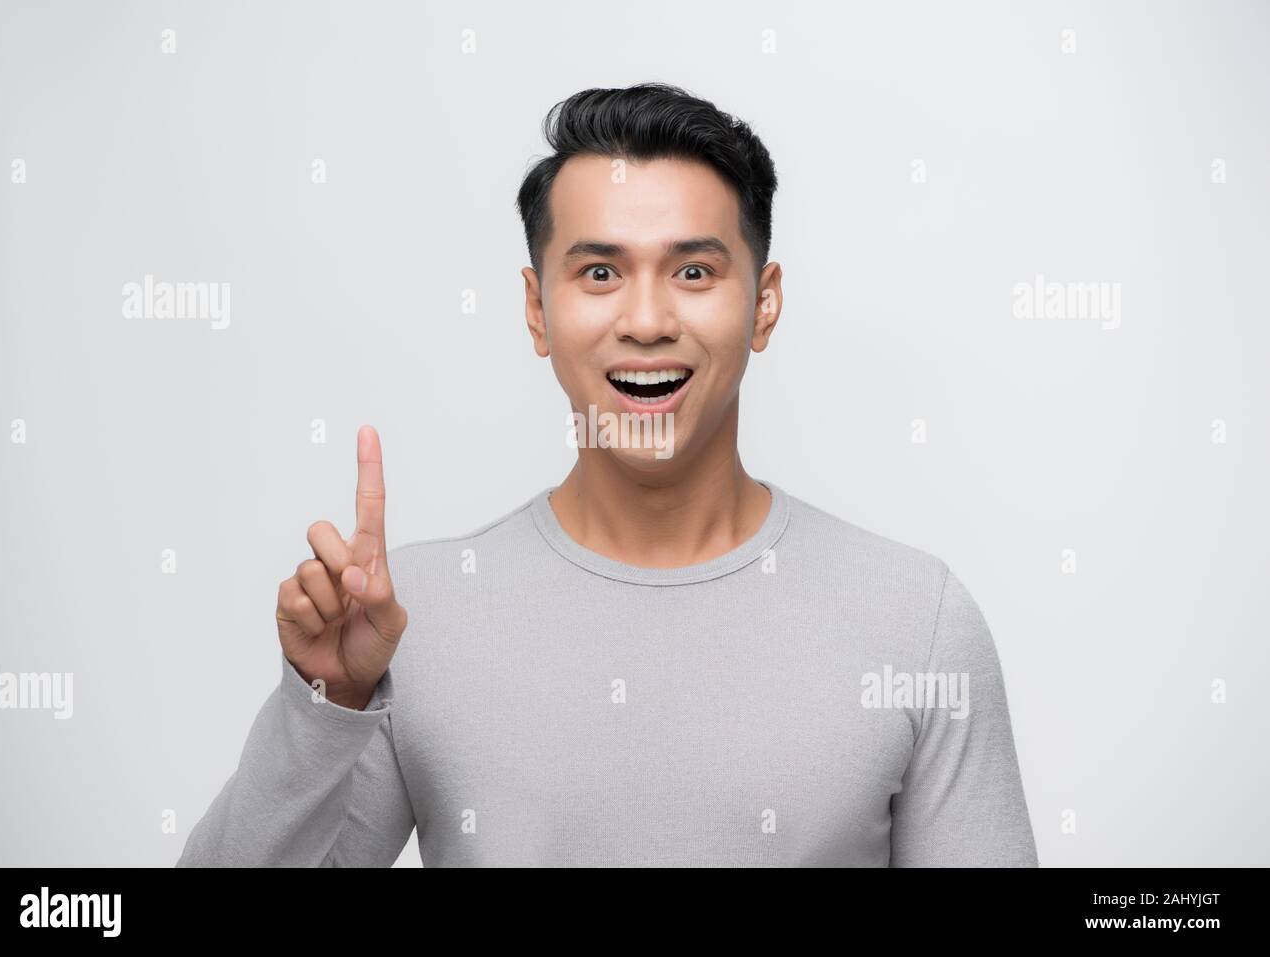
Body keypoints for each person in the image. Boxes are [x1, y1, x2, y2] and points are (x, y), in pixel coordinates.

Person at [177, 82, 1038, 867]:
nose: (648, 318)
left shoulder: (915, 621)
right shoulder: (411, 618)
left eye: (694, 271)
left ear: (764, 303)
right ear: (536, 308)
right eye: (599, 272)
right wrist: (323, 703)